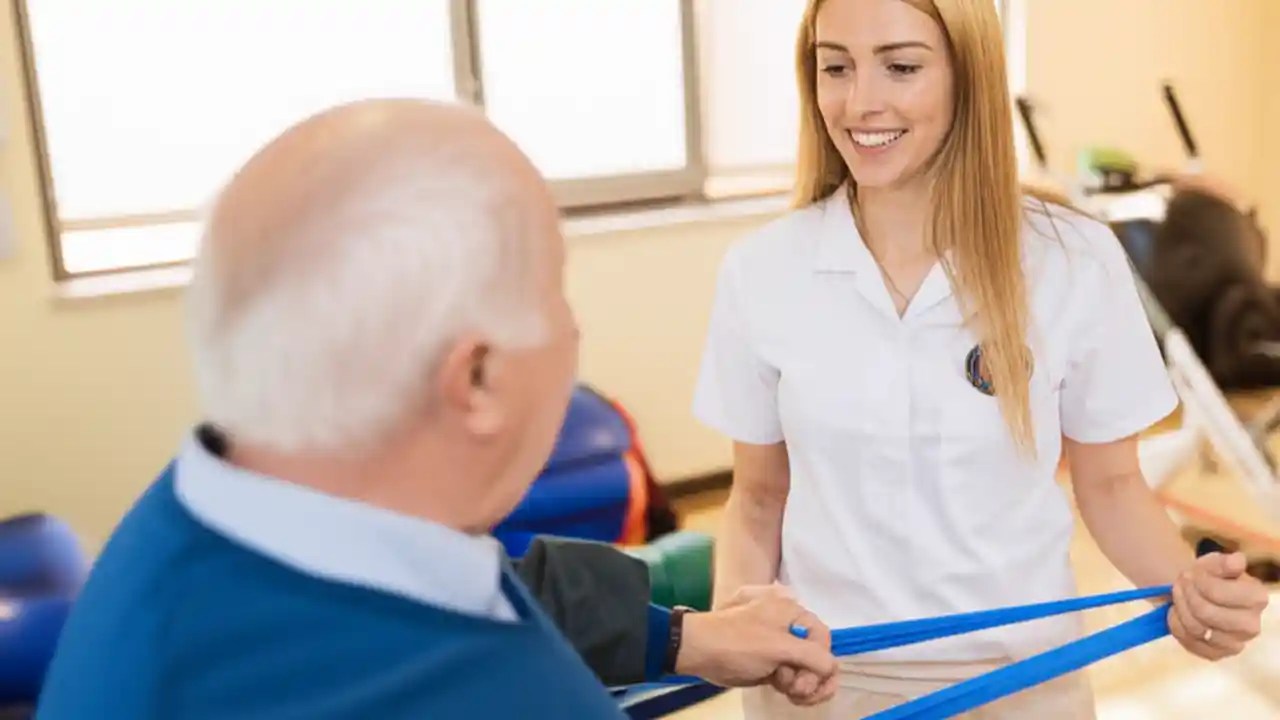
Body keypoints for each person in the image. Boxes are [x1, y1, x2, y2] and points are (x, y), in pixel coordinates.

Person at [34, 99, 839, 719]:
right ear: (478, 377)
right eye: (557, 288)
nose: (574, 325)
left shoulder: (196, 517)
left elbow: (478, 581)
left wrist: (683, 637)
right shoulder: (506, 696)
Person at [691, 0, 1271, 717]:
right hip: (819, 680)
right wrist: (736, 628)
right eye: (834, 66)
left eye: (901, 66)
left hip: (1026, 678)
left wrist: (1191, 593)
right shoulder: (763, 270)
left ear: (970, 75)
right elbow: (755, 500)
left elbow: (1114, 486)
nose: (860, 102)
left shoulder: (1072, 259)